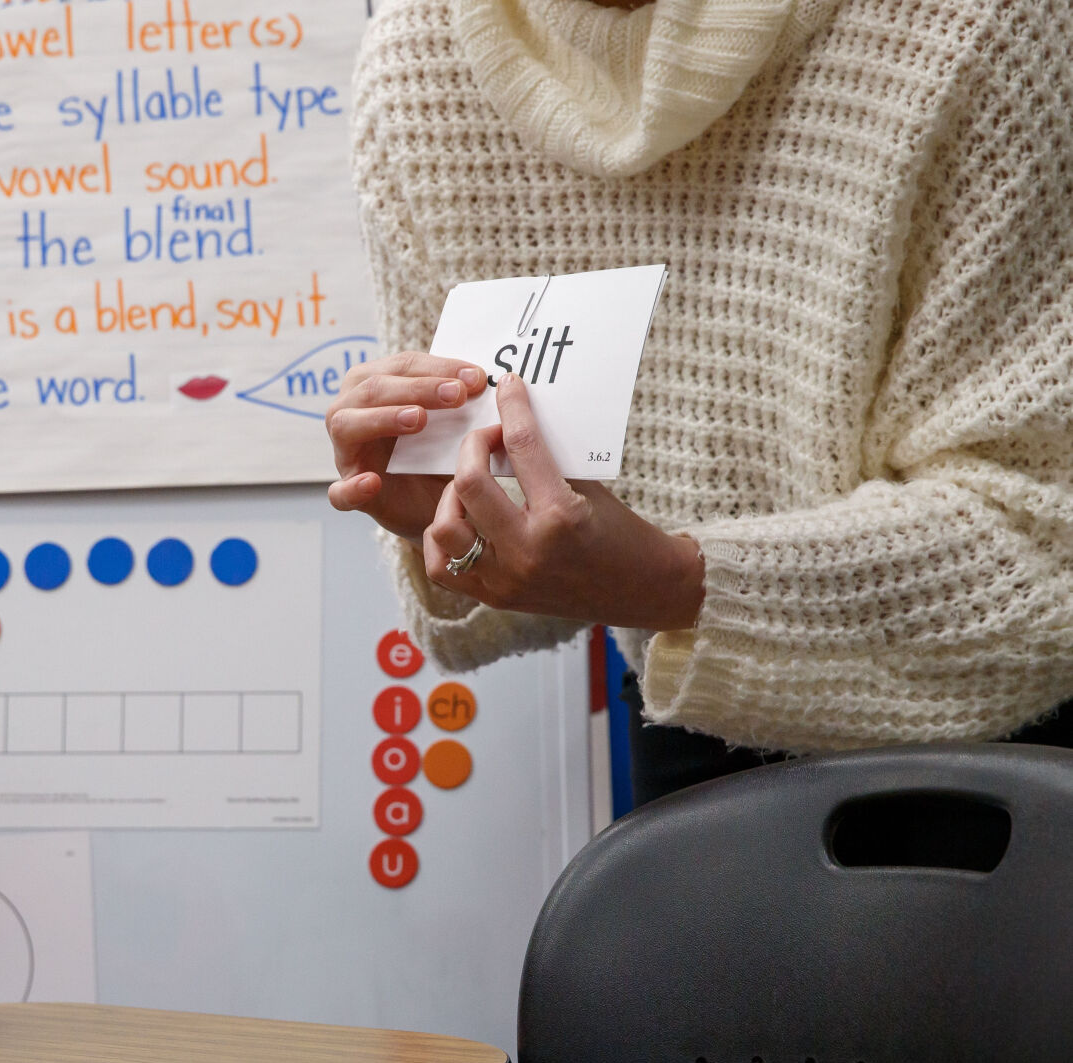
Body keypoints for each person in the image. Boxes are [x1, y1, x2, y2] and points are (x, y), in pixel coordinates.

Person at [327, 0, 1073, 802]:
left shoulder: (984, 24)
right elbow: (570, 553)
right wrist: (461, 513)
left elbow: (1044, 543)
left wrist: (673, 583)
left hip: (1007, 764)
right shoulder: (421, 60)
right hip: (690, 744)